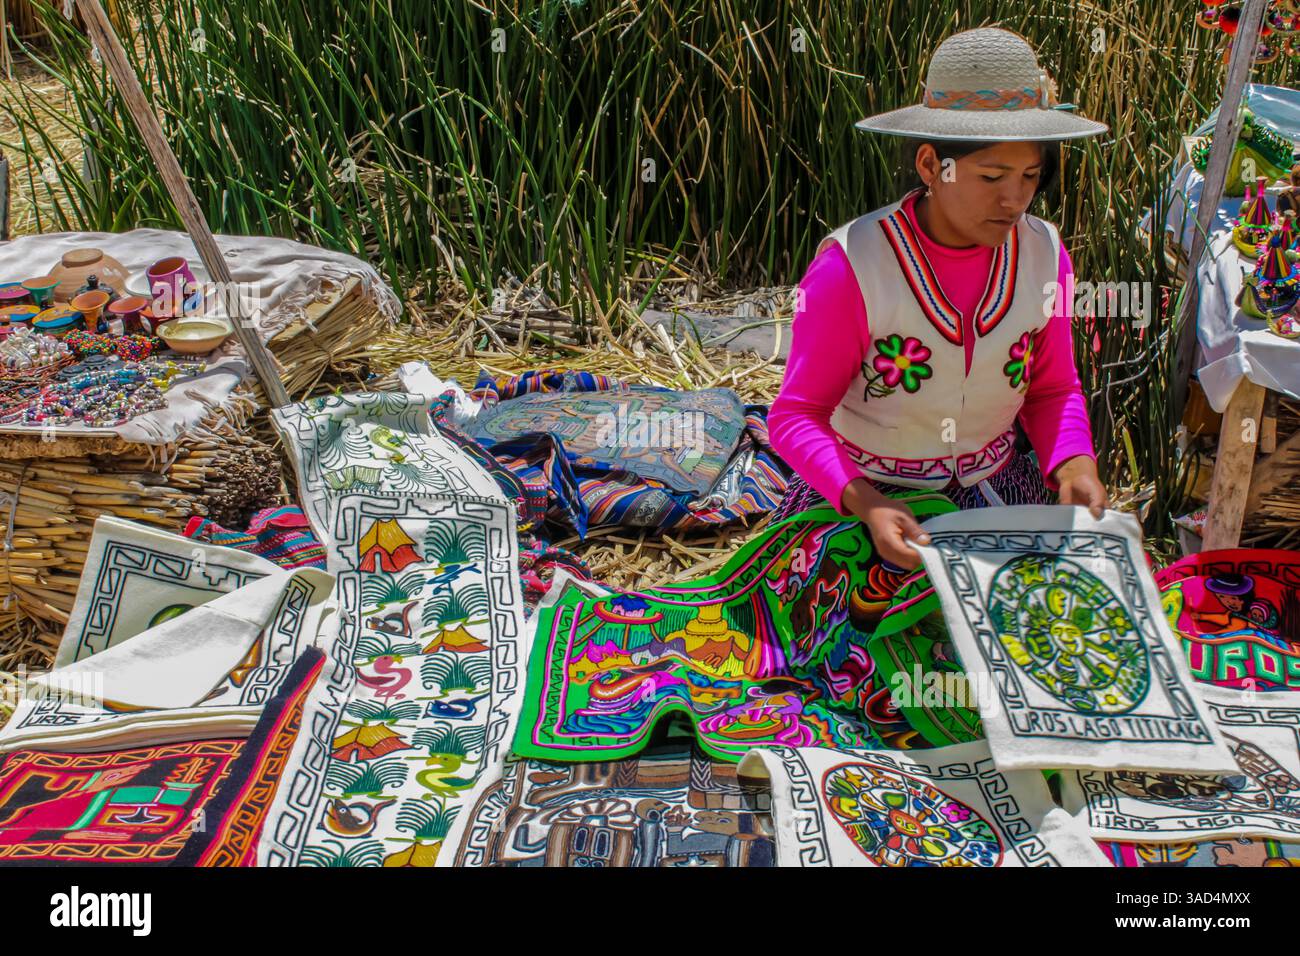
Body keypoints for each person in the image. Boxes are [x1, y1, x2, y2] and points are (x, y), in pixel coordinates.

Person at [769, 27, 1109, 571]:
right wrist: (869, 503)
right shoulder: (852, 266)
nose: (1014, 198)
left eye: (1030, 176)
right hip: (868, 498)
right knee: (857, 640)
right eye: (992, 175)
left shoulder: (1047, 255)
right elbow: (795, 416)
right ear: (931, 166)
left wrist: (1074, 466)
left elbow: (1053, 388)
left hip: (995, 488)